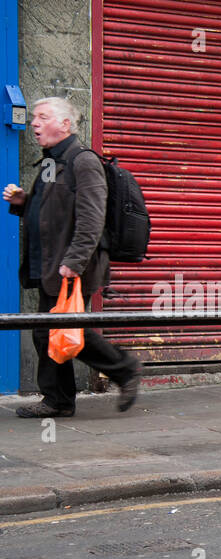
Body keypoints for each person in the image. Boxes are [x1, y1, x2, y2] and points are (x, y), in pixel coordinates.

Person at [4, 96, 141, 418]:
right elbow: (53, 210)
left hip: (71, 265)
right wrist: (24, 201)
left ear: (65, 124)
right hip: (52, 262)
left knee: (56, 330)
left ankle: (117, 372)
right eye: (34, 117)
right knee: (55, 330)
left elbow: (92, 217)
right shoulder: (53, 161)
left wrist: (74, 262)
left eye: (43, 117)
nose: (35, 123)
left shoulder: (82, 161)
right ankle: (66, 397)